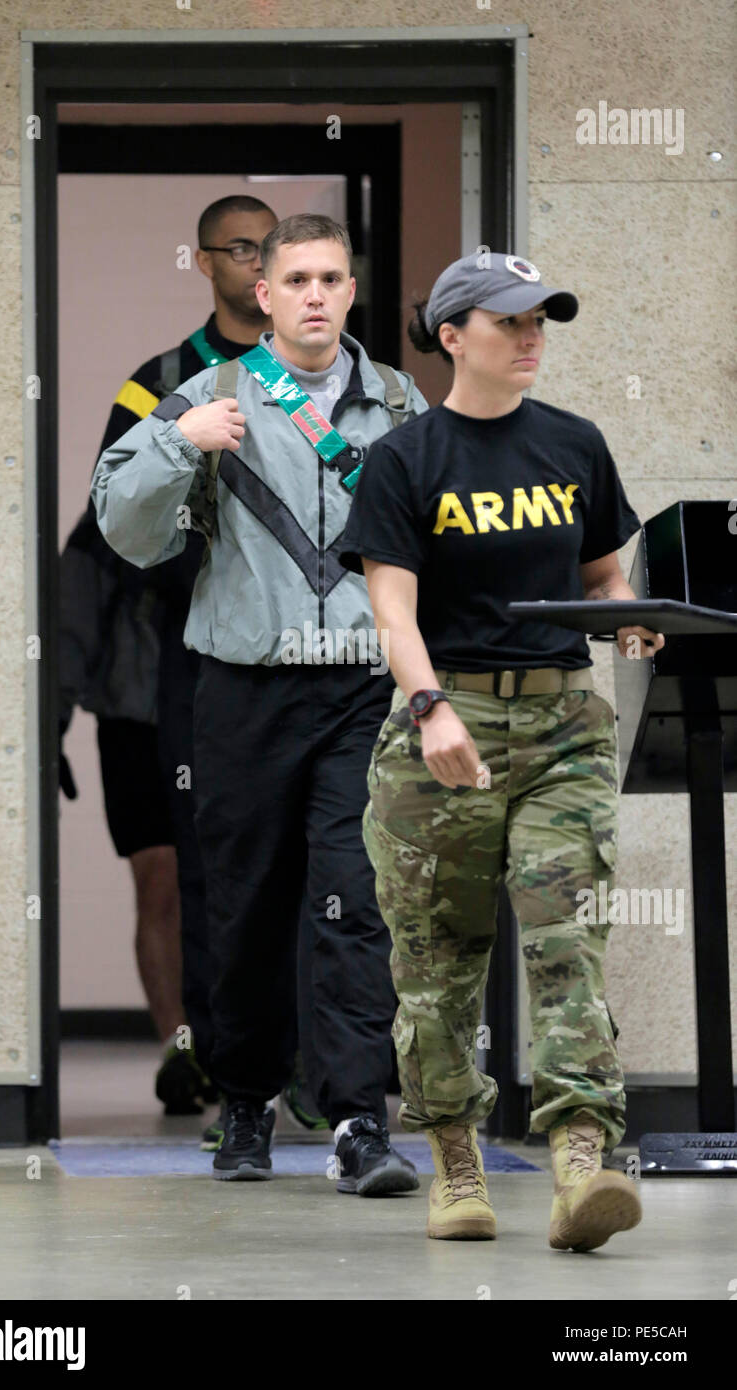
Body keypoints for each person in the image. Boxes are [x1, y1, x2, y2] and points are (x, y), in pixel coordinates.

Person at [91, 213, 430, 1193]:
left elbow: (432, 548)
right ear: (264, 295)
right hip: (241, 686)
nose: (315, 295)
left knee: (352, 904)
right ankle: (243, 1101)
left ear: (349, 292)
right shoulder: (206, 394)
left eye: (332, 277)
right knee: (243, 903)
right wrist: (175, 443)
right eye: (297, 279)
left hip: (360, 690)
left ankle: (358, 1118)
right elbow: (127, 531)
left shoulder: (399, 406)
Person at [338, 250, 664, 1246]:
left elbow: (604, 570)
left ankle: (578, 1161)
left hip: (565, 725)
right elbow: (391, 608)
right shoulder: (406, 458)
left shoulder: (573, 443)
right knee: (437, 958)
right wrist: (429, 705)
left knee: (567, 944)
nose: (529, 338)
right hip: (451, 720)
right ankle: (453, 1162)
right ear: (450, 336)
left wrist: (627, 616)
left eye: (539, 321)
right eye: (508, 322)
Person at [59, 196, 278, 1120]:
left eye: (274, 248)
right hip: (153, 678)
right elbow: (113, 522)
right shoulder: (156, 381)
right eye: (241, 248)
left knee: (274, 869)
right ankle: (186, 1052)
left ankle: (276, 1059)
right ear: (203, 262)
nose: (258, 263)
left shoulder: (319, 377)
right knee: (165, 872)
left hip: (272, 666)